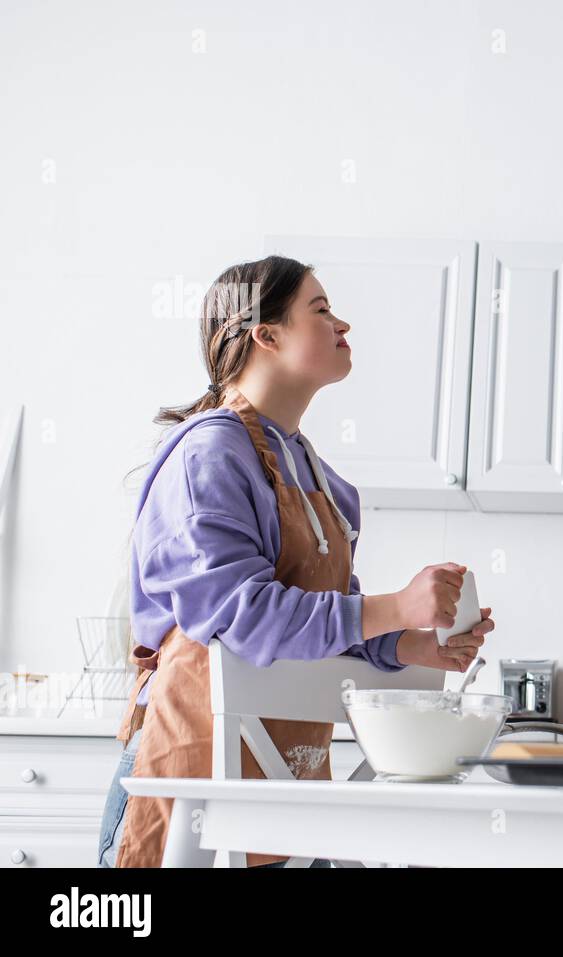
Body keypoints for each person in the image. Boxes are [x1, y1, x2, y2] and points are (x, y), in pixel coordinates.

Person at [99, 255, 495, 867]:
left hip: (279, 792)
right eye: (321, 310)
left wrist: (405, 642)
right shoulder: (210, 454)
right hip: (189, 783)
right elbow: (241, 614)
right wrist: (392, 607)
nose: (344, 325)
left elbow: (322, 619)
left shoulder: (317, 474)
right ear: (266, 334)